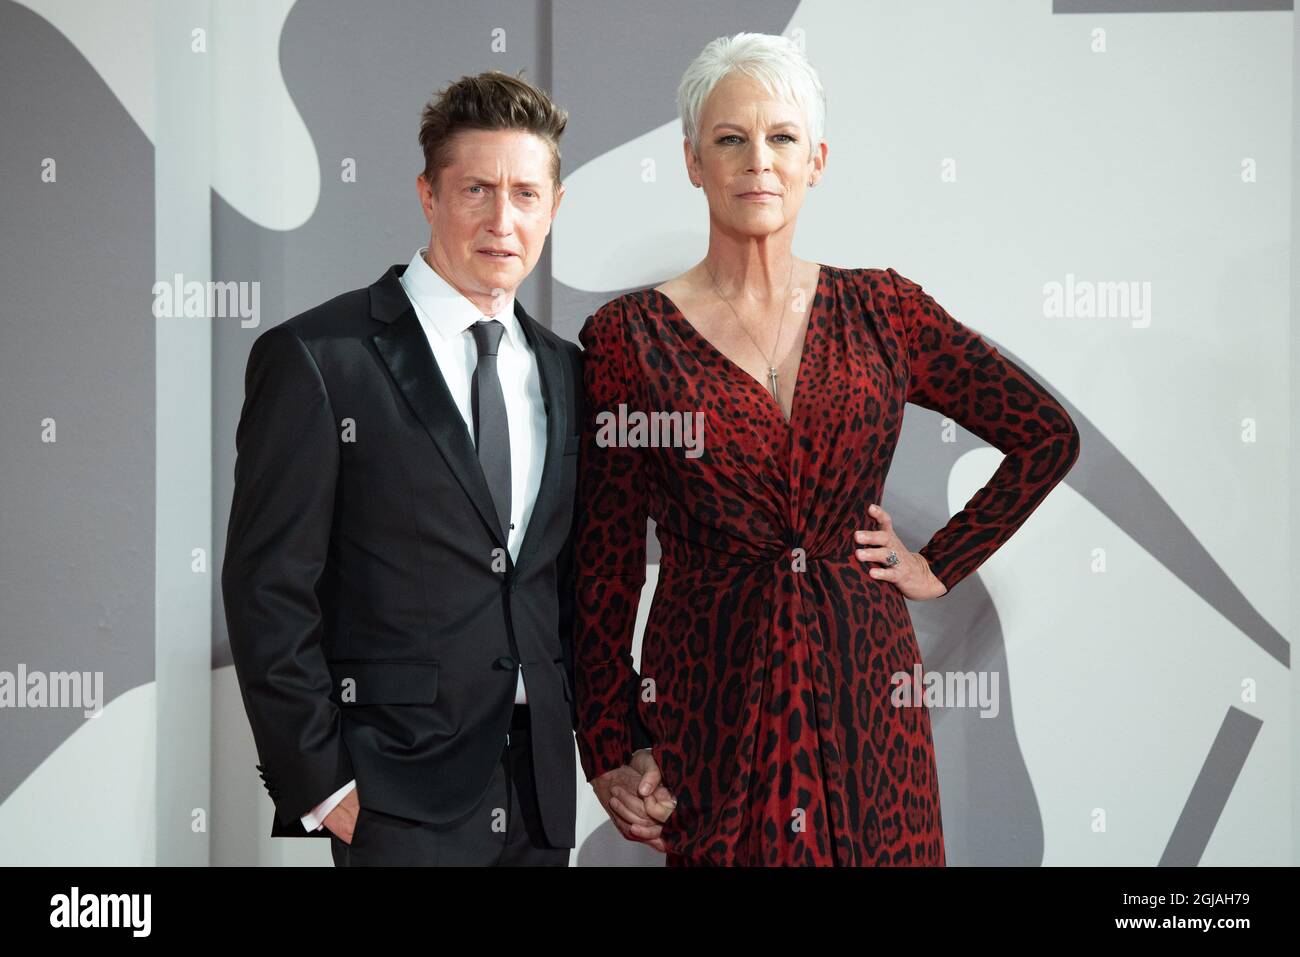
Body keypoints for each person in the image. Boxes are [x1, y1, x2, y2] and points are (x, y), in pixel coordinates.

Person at [572, 33, 1081, 866]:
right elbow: (604, 564)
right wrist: (610, 740)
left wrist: (941, 560)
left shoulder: (886, 310)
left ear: (817, 159)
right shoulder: (629, 338)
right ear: (694, 161)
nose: (757, 162)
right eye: (730, 138)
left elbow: (1044, 436)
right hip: (712, 702)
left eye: (781, 138)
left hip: (868, 690)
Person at [222, 70, 584, 865]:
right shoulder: (320, 359)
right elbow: (267, 586)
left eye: (526, 193)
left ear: (553, 207)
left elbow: (560, 585)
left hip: (540, 792)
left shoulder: (568, 371)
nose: (502, 219)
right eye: (476, 190)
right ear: (427, 195)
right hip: (395, 794)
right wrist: (321, 784)